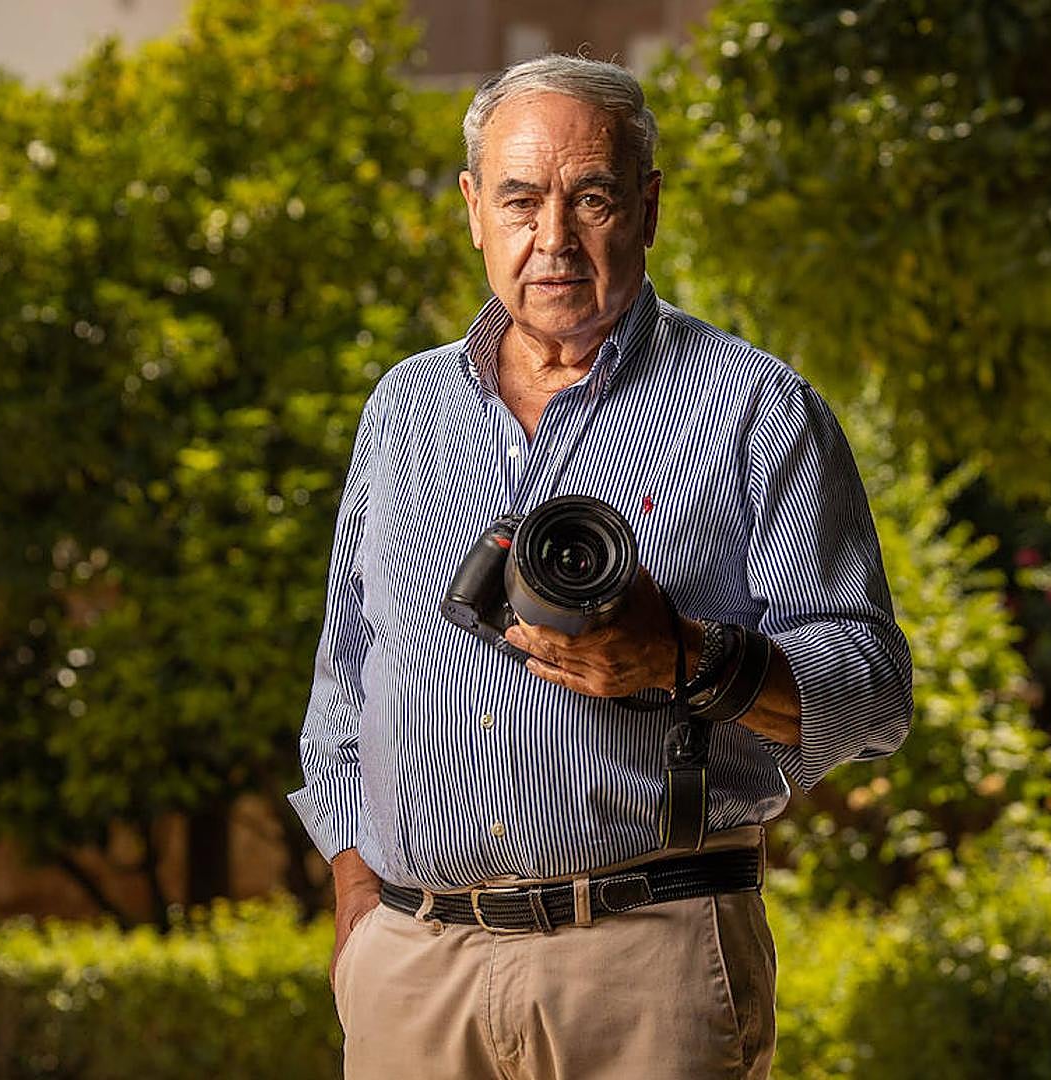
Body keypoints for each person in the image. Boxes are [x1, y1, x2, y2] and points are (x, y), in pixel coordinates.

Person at [287, 53, 914, 1080]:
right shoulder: (404, 409)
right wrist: (359, 899)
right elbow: (346, 681)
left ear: (649, 206)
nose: (554, 240)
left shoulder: (756, 409)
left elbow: (875, 687)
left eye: (592, 199)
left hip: (646, 971)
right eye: (522, 199)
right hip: (415, 972)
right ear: (473, 209)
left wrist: (687, 660)